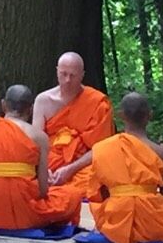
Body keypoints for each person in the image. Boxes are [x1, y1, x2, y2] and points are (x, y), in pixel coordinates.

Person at [88, 92, 163, 243]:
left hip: (115, 222)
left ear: (121, 116)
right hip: (151, 223)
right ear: (149, 116)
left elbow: (99, 192)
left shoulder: (102, 148)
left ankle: (120, 232)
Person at [0, 85, 80, 230]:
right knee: (72, 195)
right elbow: (43, 191)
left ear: (3, 104)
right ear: (30, 109)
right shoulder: (39, 137)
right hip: (26, 215)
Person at [32, 51, 113, 196]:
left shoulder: (96, 102)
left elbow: (100, 148)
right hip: (49, 164)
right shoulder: (43, 100)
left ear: (82, 75)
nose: (68, 80)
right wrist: (44, 170)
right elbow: (36, 143)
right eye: (63, 74)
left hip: (82, 165)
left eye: (73, 75)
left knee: (96, 179)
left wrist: (70, 169)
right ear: (57, 71)